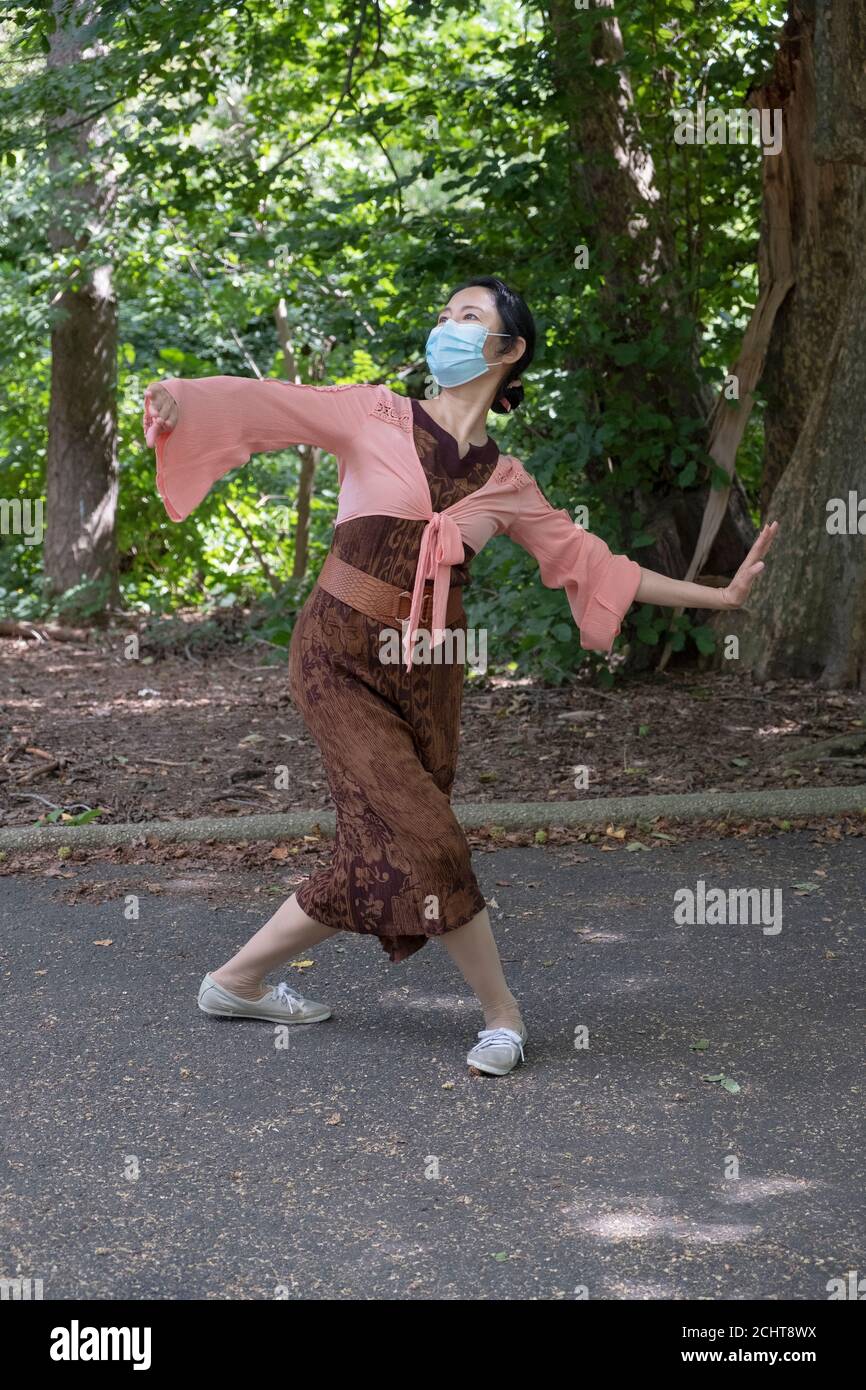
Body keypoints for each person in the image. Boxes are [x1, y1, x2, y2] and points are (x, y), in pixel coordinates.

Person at [144, 274, 778, 1076]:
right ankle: (503, 1017)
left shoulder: (506, 482)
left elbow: (592, 564)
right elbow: (269, 401)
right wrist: (176, 399)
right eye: (444, 314)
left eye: (468, 317)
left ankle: (234, 981)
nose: (446, 326)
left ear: (508, 351)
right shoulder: (373, 412)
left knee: (379, 849)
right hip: (337, 656)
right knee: (427, 837)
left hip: (432, 676)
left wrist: (718, 594)